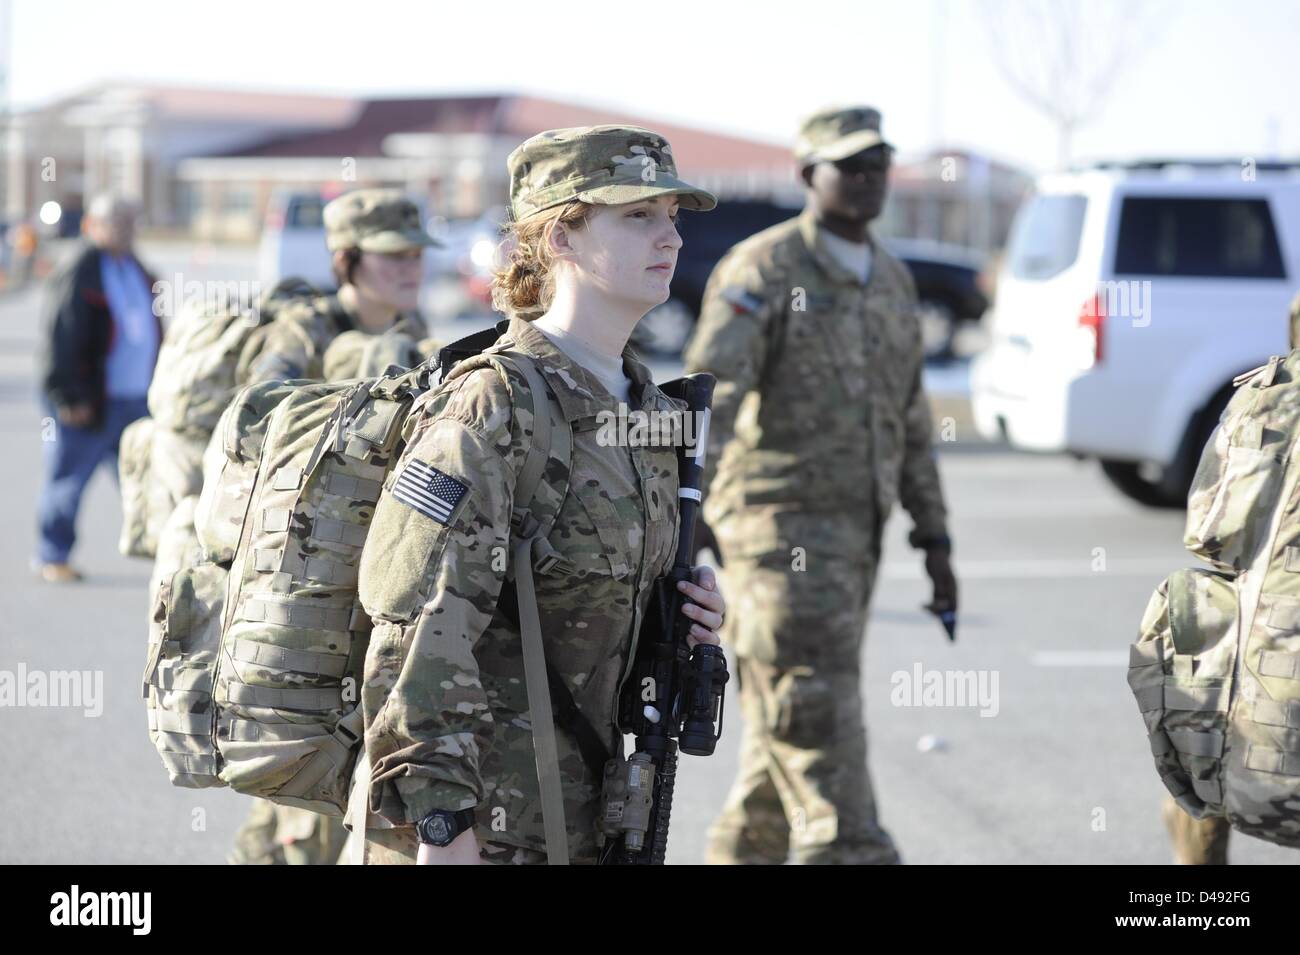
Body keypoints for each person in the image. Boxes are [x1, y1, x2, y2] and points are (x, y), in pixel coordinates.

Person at [350, 125, 726, 865]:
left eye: (674, 217)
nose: (671, 238)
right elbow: (418, 628)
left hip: (590, 819)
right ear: (560, 237)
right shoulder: (495, 405)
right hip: (481, 832)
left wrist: (682, 620)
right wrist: (439, 827)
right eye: (639, 216)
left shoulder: (649, 413)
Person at [684, 106, 959, 864]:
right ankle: (856, 851)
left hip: (856, 543)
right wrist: (687, 509)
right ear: (810, 174)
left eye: (879, 165)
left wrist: (934, 538)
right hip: (775, 538)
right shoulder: (765, 268)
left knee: (786, 731)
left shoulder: (893, 277)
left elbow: (909, 418)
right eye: (851, 166)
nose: (869, 180)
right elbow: (716, 394)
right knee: (811, 718)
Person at [221, 188, 440, 866]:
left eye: (416, 253)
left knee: (361, 750)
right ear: (348, 259)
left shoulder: (416, 324)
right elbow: (255, 419)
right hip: (306, 564)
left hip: (382, 555)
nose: (411, 266)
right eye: (392, 255)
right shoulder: (306, 329)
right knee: (303, 766)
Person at [36, 193, 160, 583]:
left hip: (134, 398)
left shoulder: (135, 267)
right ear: (94, 224)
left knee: (144, 480)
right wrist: (69, 395)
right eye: (117, 222)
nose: (126, 230)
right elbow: (62, 336)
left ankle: (159, 553)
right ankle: (51, 555)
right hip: (90, 399)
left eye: (130, 222)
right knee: (68, 480)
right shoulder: (80, 268)